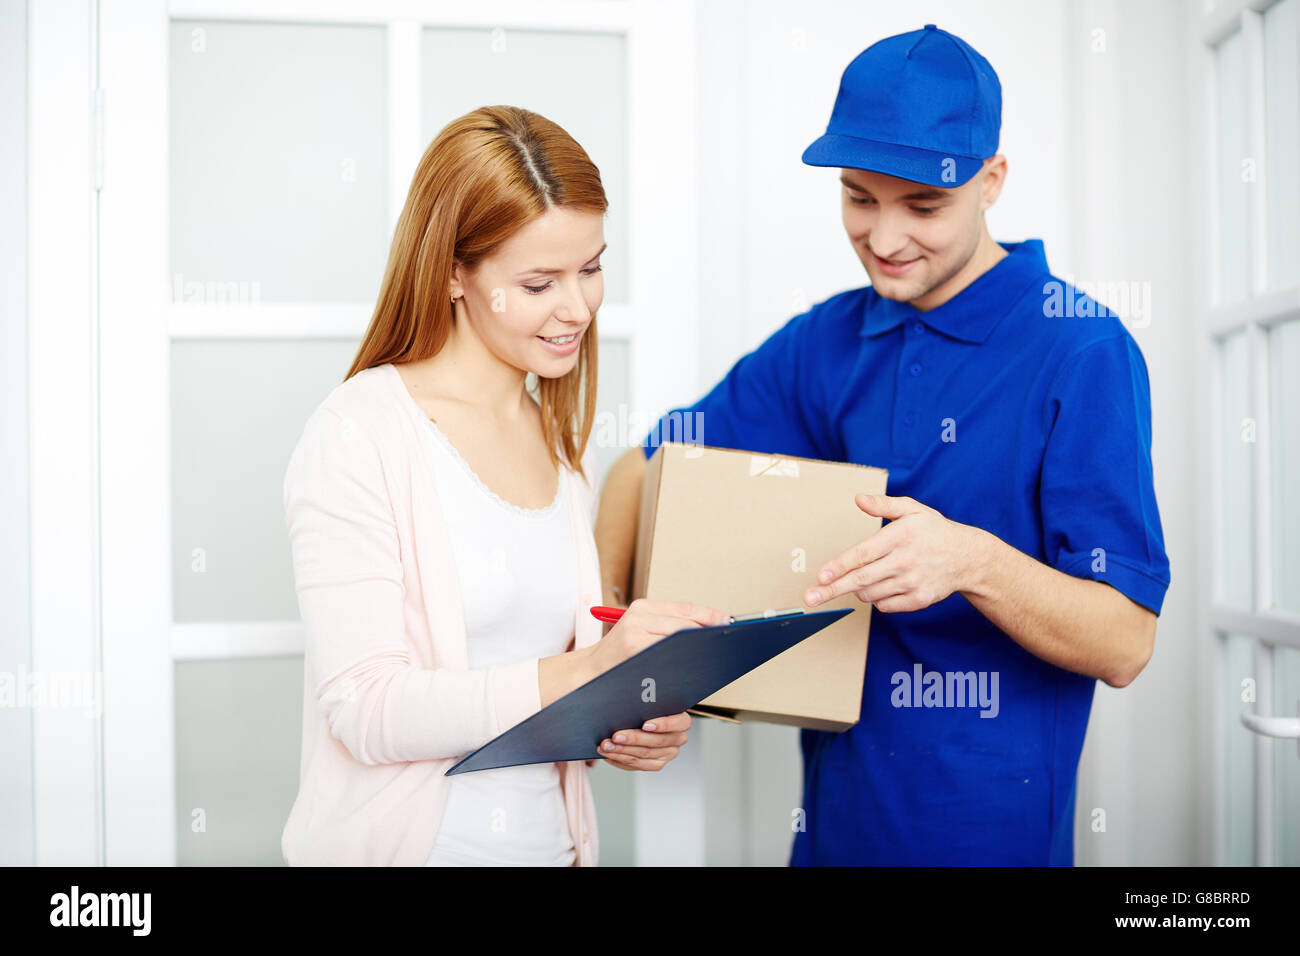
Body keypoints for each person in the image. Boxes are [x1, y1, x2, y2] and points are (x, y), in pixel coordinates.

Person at [596, 25, 1171, 865]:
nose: (886, 237)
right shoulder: (826, 342)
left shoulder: (1080, 350)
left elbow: (1125, 642)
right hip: (834, 827)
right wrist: (616, 645)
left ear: (992, 181)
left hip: (988, 834)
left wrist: (971, 561)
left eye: (924, 205)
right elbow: (643, 469)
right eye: (860, 198)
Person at [281, 105, 725, 867]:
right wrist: (585, 671)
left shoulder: (555, 445)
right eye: (538, 282)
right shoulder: (360, 433)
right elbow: (364, 707)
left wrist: (626, 711)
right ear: (455, 272)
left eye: (590, 268)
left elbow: (540, 699)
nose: (578, 307)